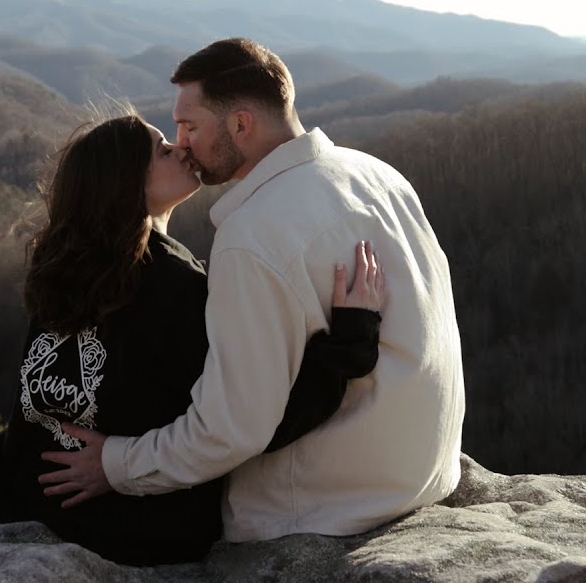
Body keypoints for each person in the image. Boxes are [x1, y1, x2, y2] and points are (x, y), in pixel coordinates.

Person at [39, 38, 465, 542]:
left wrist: (116, 465)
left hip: (325, 506)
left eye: (191, 126)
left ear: (241, 124)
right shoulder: (377, 174)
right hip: (424, 470)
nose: (182, 143)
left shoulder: (253, 235)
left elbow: (231, 429)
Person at [0, 112, 386, 565]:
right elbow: (247, 419)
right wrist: (348, 344)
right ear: (127, 182)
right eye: (163, 149)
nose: (182, 148)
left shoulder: (62, 268)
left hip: (32, 496)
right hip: (133, 525)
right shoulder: (172, 283)